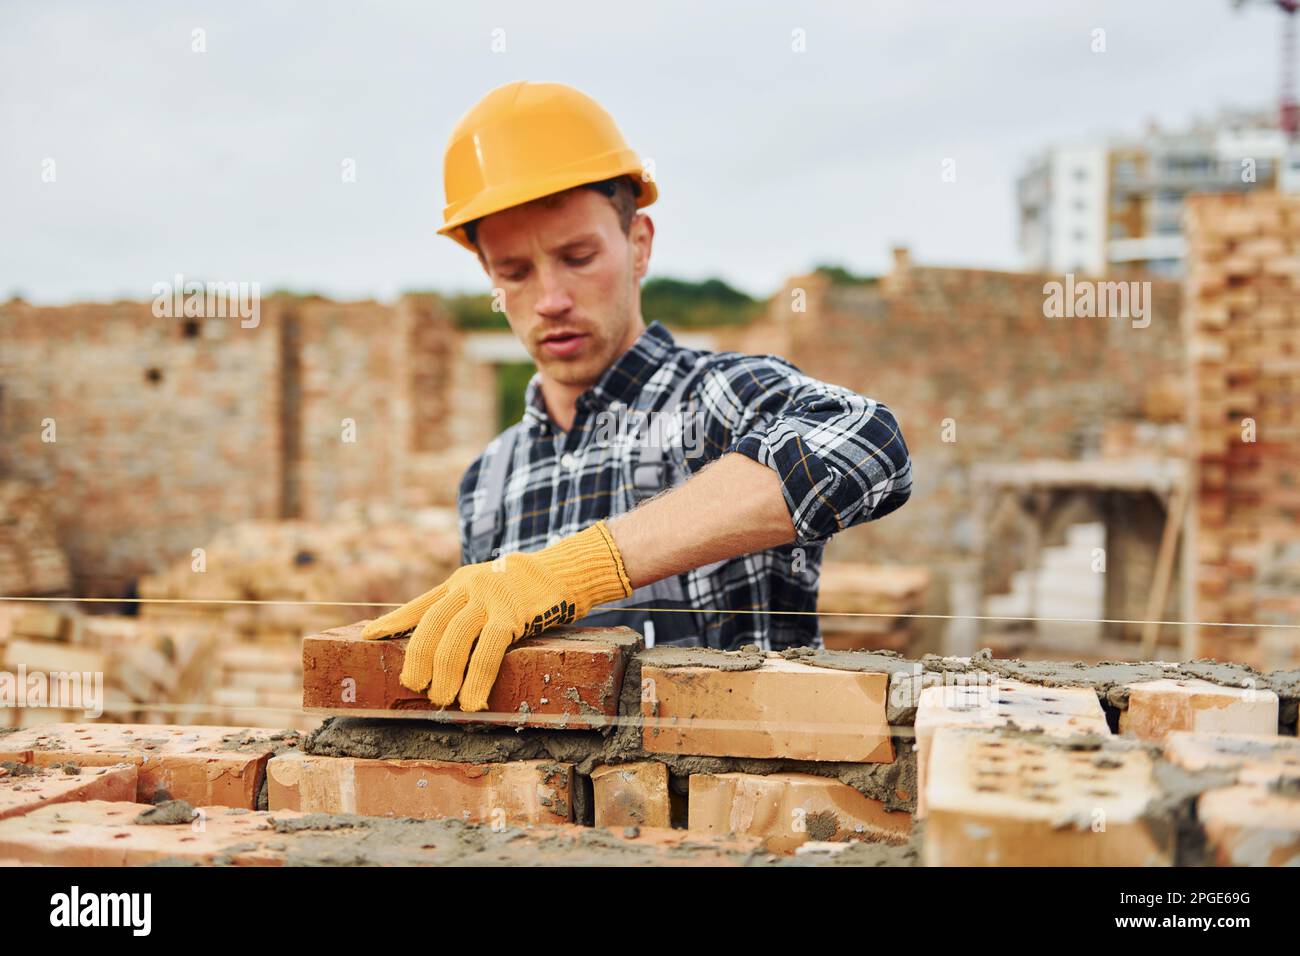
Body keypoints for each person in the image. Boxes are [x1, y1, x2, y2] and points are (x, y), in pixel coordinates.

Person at [363, 80, 913, 713]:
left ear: (639, 245)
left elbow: (870, 442)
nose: (550, 299)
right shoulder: (487, 480)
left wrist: (576, 570)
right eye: (514, 272)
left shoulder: (716, 399)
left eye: (578, 256)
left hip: (735, 809)